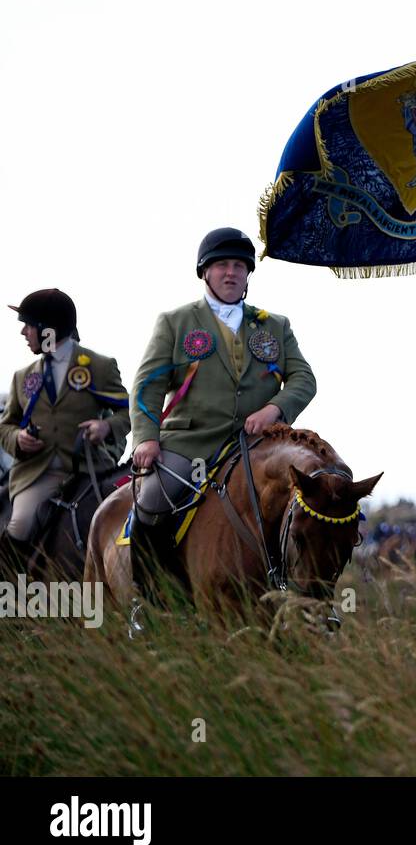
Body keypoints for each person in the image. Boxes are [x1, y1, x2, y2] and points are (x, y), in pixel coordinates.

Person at [128, 227, 317, 596]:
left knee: (313, 499)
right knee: (150, 502)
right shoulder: (175, 322)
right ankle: (146, 596)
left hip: (257, 444)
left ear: (247, 274)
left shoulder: (274, 325)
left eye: (239, 266)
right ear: (205, 272)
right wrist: (146, 439)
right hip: (190, 444)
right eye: (221, 266)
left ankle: (309, 597)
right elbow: (147, 387)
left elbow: (303, 379)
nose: (231, 272)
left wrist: (274, 408)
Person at [0, 289, 129, 568]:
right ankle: (10, 590)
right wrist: (18, 439)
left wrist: (106, 426)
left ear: (47, 329)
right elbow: (5, 426)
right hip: (40, 473)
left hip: (89, 469)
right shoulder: (22, 376)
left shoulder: (100, 366)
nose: (24, 332)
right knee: (20, 523)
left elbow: (127, 412)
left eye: (28, 325)